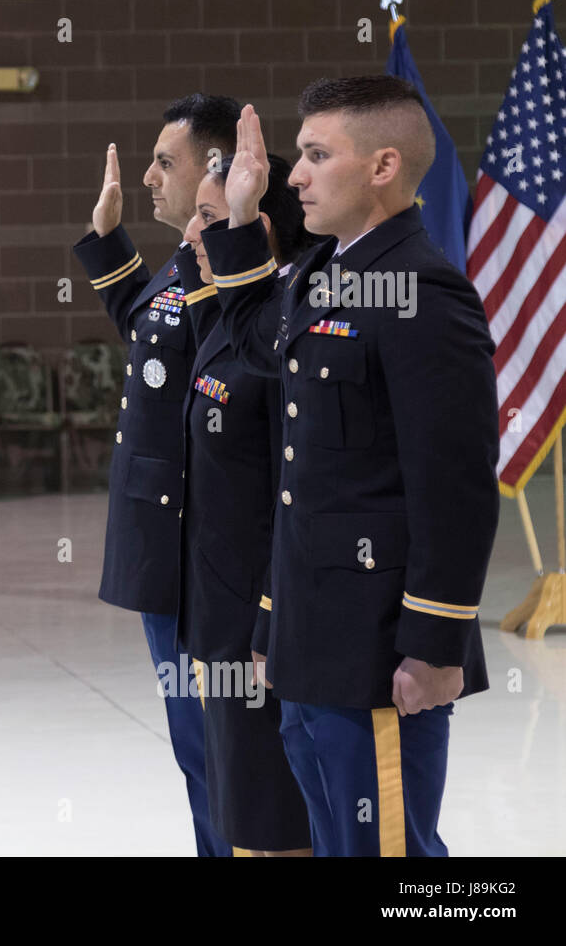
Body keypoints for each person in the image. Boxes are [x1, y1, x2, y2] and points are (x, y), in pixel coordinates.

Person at [199, 77, 500, 856]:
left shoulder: (424, 294)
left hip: (378, 649)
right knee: (335, 842)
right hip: (311, 637)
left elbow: (455, 487)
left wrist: (436, 645)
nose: (293, 175)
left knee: (388, 851)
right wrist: (240, 217)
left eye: (315, 154)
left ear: (383, 165)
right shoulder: (320, 273)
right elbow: (262, 350)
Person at [72, 94, 240, 856]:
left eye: (163, 163)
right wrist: (108, 241)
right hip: (160, 547)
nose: (147, 177)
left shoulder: (231, 258)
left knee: (218, 751)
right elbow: (154, 331)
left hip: (196, 548)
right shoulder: (183, 261)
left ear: (214, 167)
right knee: (194, 745)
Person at [177, 152, 321, 856]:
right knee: (240, 808)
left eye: (206, 219)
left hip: (259, 615)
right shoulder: (236, 323)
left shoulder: (282, 332)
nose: (190, 236)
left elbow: (291, 491)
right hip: (218, 608)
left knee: (274, 815)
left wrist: (268, 612)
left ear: (253, 225)